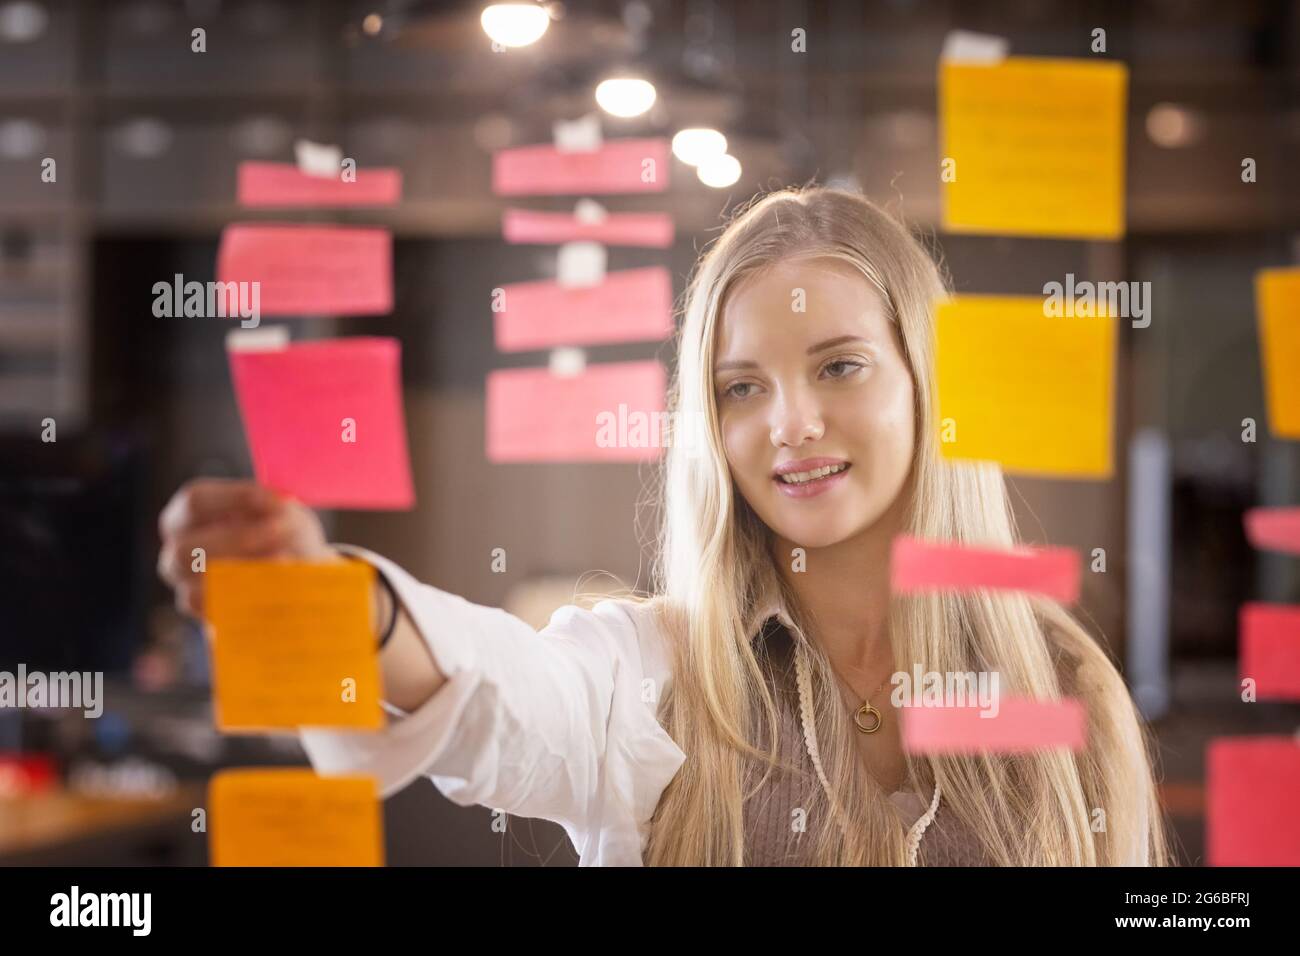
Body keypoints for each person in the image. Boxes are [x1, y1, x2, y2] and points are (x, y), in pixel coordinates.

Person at [157, 186, 1170, 866]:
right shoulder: (652, 676)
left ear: (928, 383)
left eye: (838, 365)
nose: (790, 423)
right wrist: (341, 602)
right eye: (741, 386)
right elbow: (497, 695)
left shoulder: (1060, 686)